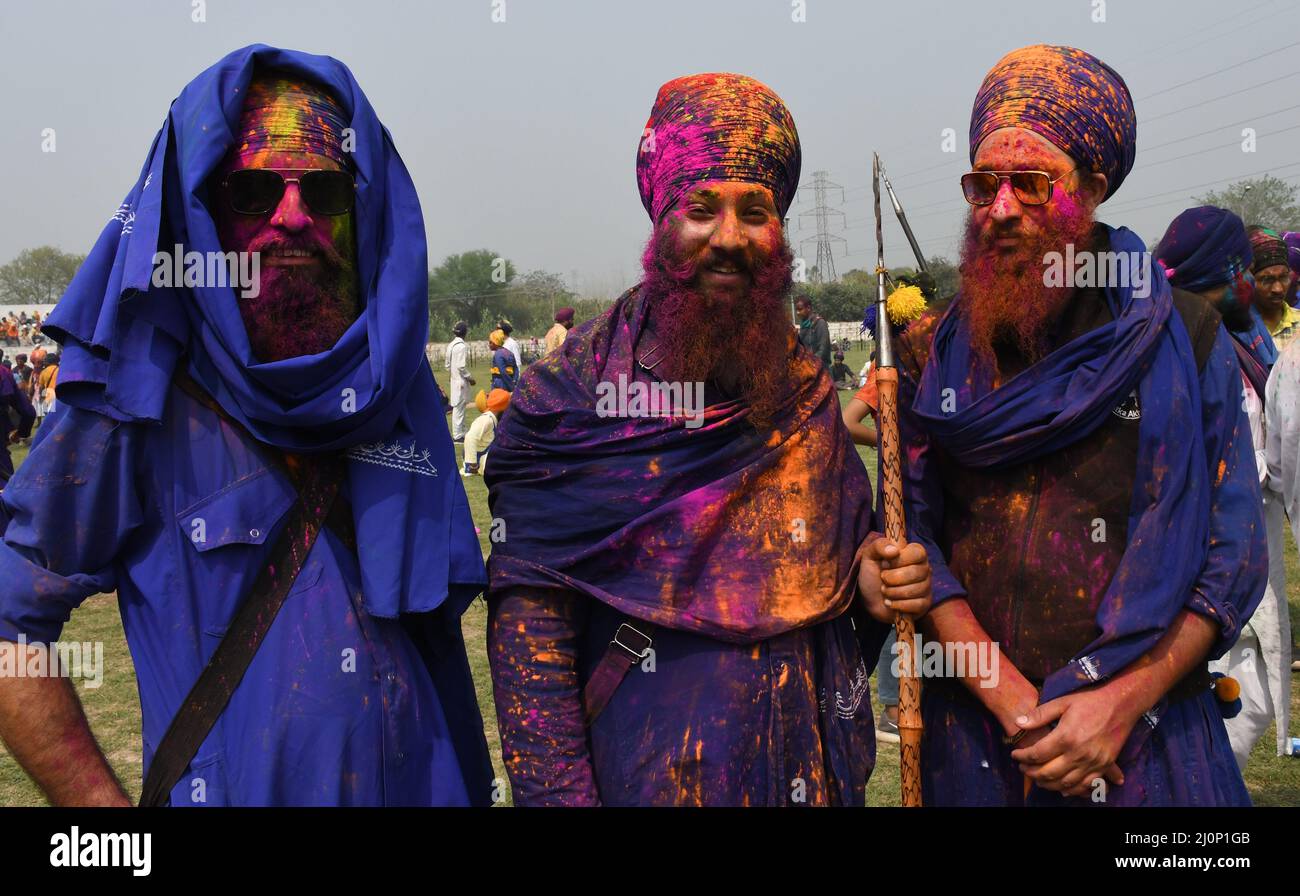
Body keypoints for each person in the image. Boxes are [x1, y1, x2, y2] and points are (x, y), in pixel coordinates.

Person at [0, 46, 492, 807]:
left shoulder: (396, 392)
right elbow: (8, 631)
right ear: (196, 214)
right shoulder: (138, 404)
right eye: (253, 191)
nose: (293, 217)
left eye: (325, 190)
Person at [484, 72, 932, 807]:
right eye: (702, 208)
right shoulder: (565, 402)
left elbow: (830, 603)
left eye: (755, 211)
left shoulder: (806, 395)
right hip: (644, 775)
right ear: (662, 219)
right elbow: (533, 659)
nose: (729, 238)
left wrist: (872, 595)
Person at [898, 45, 1265, 806]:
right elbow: (914, 540)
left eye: (1032, 184)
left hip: (1143, 742)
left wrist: (1116, 702)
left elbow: (1230, 558)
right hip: (978, 743)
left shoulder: (1187, 337)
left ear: (1093, 187)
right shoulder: (938, 349)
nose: (1000, 210)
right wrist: (1012, 703)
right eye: (982, 184)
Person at [1156, 205, 1290, 767]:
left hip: (1252, 526)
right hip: (1199, 544)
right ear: (1231, 274)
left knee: (1255, 666)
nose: (1270, 286)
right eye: (1254, 273)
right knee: (1210, 671)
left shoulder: (1248, 339)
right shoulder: (1184, 345)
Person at [1249, 226, 1300, 352]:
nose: (1278, 289)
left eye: (1283, 277)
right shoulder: (1236, 330)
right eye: (1267, 279)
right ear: (1248, 279)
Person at [462, 388, 509, 476]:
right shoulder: (486, 419)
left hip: (486, 455)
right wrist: (471, 464)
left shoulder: (493, 419)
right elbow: (470, 437)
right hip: (481, 459)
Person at [445, 320, 474, 441]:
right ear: (465, 332)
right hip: (461, 381)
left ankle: (462, 431)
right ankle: (458, 435)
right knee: (459, 407)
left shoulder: (450, 345)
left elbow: (447, 365)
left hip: (454, 379)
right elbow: (461, 366)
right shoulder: (462, 346)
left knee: (459, 406)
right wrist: (470, 377)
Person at [794, 295, 831, 369]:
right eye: (796, 310)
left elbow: (823, 349)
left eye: (800, 309)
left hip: (822, 369)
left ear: (808, 308)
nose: (797, 312)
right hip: (808, 368)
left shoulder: (820, 323)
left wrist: (810, 362)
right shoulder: (803, 326)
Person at [489, 328, 518, 392]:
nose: (489, 345)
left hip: (500, 383)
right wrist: (514, 381)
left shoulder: (498, 354)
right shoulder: (510, 353)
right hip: (509, 381)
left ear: (495, 343)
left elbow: (502, 372)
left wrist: (511, 386)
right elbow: (516, 369)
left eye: (490, 342)